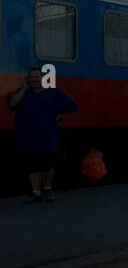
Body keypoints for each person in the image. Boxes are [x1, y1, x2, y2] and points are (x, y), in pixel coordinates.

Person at [7, 65, 78, 203]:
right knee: (32, 165)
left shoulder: (53, 92)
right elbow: (12, 104)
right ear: (28, 79)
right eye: (31, 77)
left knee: (47, 164)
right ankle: (36, 193)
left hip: (47, 135)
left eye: (37, 77)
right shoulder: (23, 93)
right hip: (27, 136)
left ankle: (47, 189)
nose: (34, 80)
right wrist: (24, 88)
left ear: (43, 78)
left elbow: (72, 105)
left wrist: (59, 113)